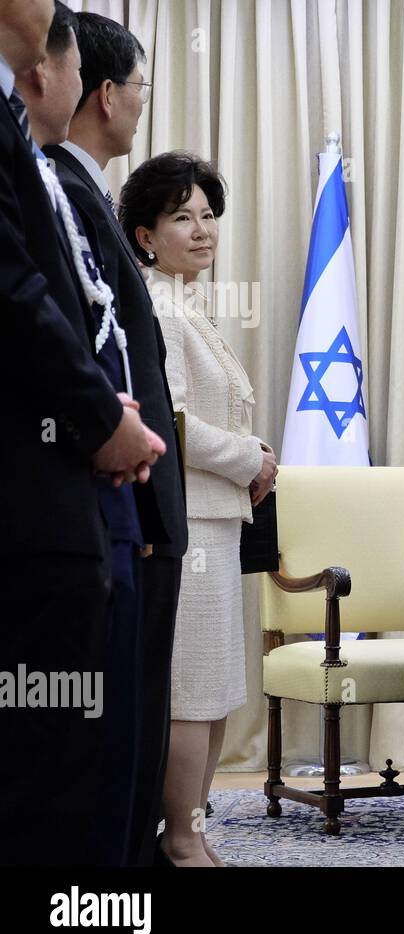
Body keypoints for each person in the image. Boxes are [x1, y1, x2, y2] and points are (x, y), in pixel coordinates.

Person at [0, 0, 163, 866]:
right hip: (56, 487)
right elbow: (25, 305)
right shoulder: (43, 168)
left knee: (95, 747)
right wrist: (105, 424)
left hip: (95, 490)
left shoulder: (57, 175)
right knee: (57, 762)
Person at [44, 10, 189, 866]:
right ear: (104, 91)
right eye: (138, 89)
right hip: (112, 502)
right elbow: (98, 358)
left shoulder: (85, 190)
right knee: (109, 735)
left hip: (139, 505)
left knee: (138, 713)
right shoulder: (60, 188)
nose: (140, 107)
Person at [120, 151, 277, 866]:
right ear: (147, 234)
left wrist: (255, 451)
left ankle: (194, 833)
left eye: (208, 215)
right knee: (191, 690)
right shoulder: (154, 301)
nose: (202, 229)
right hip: (188, 527)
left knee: (213, 691)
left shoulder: (185, 302)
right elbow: (172, 424)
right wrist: (253, 458)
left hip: (215, 521)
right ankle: (181, 841)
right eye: (182, 216)